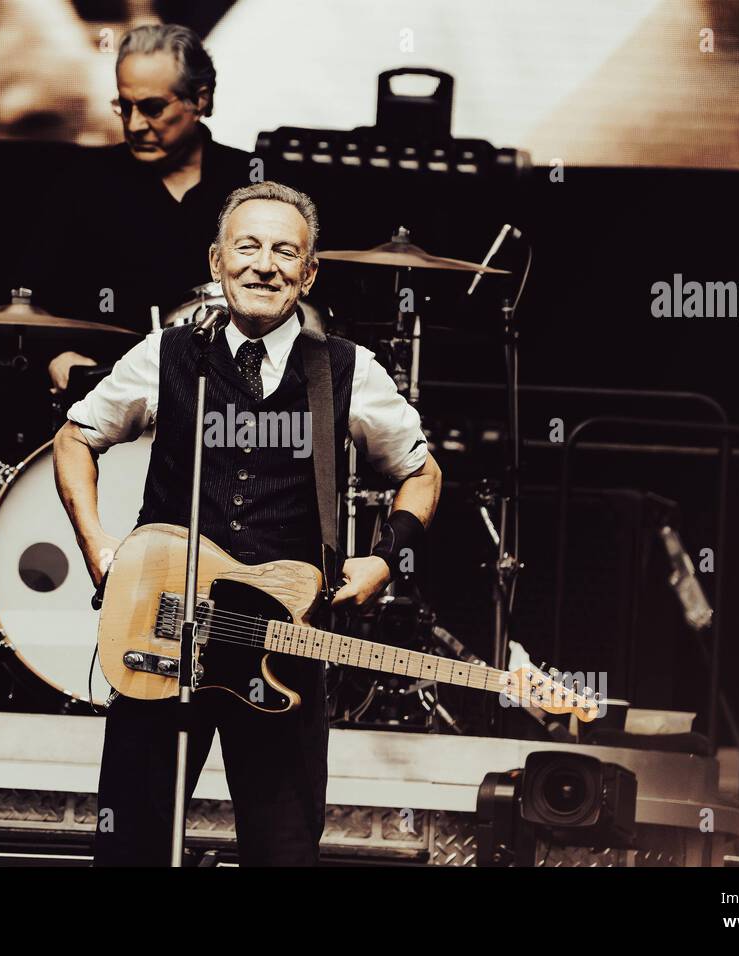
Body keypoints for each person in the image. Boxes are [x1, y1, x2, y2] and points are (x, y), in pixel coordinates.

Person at [53, 180, 442, 866]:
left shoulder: (346, 371)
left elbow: (422, 470)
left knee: (283, 849)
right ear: (216, 261)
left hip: (283, 647)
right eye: (249, 247)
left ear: (309, 271)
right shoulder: (170, 354)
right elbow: (76, 436)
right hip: (163, 634)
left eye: (285, 251)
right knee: (132, 846)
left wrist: (385, 559)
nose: (265, 264)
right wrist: (96, 546)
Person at [22, 22, 255, 393]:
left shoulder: (254, 184)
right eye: (124, 106)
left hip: (231, 410)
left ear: (200, 100)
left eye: (152, 108)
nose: (134, 125)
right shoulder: (81, 183)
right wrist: (56, 354)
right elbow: (31, 299)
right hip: (109, 402)